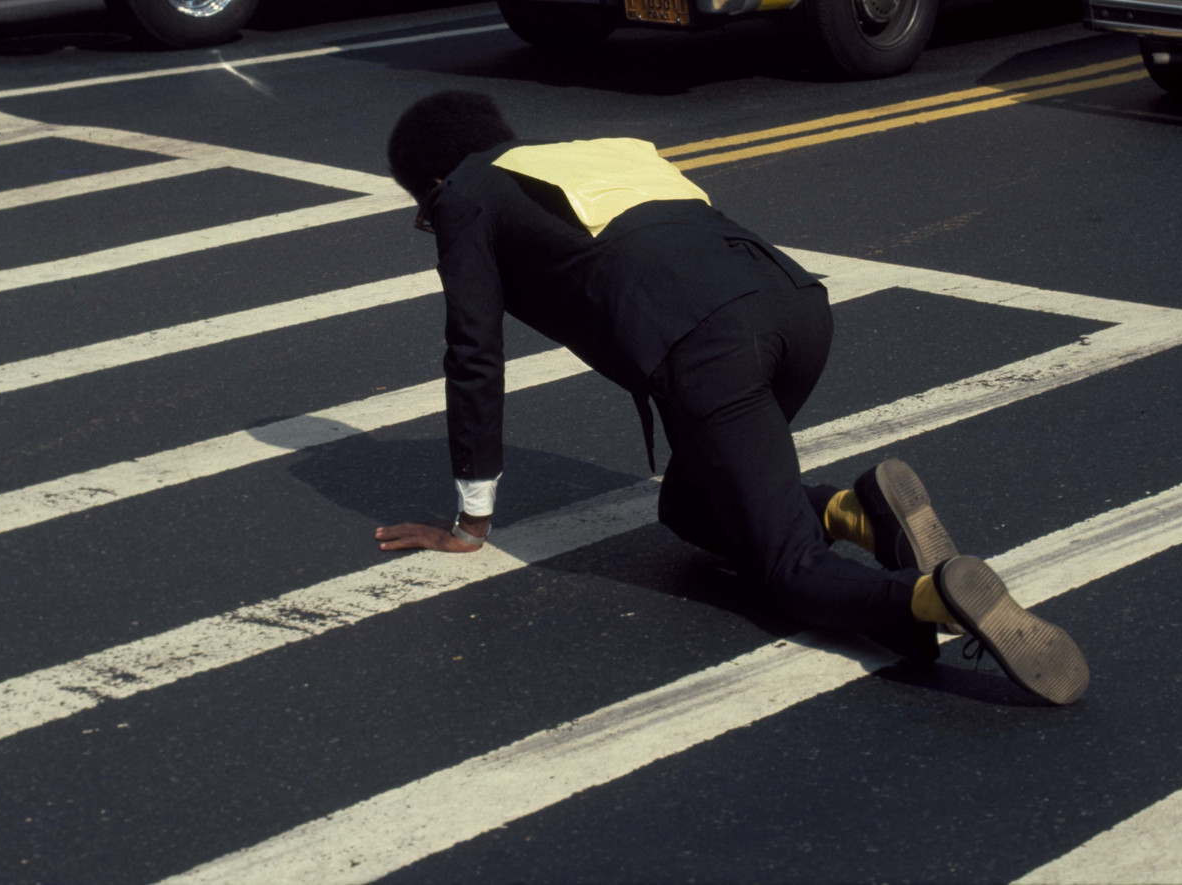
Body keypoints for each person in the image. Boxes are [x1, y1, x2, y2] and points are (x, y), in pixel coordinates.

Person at [374, 91, 1090, 705]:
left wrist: (470, 517)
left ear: (435, 181)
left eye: (423, 214)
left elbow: (473, 350)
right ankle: (859, 512)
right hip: (795, 309)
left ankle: (935, 598)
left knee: (788, 570)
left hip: (713, 349)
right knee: (687, 504)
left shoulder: (465, 193)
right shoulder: (592, 155)